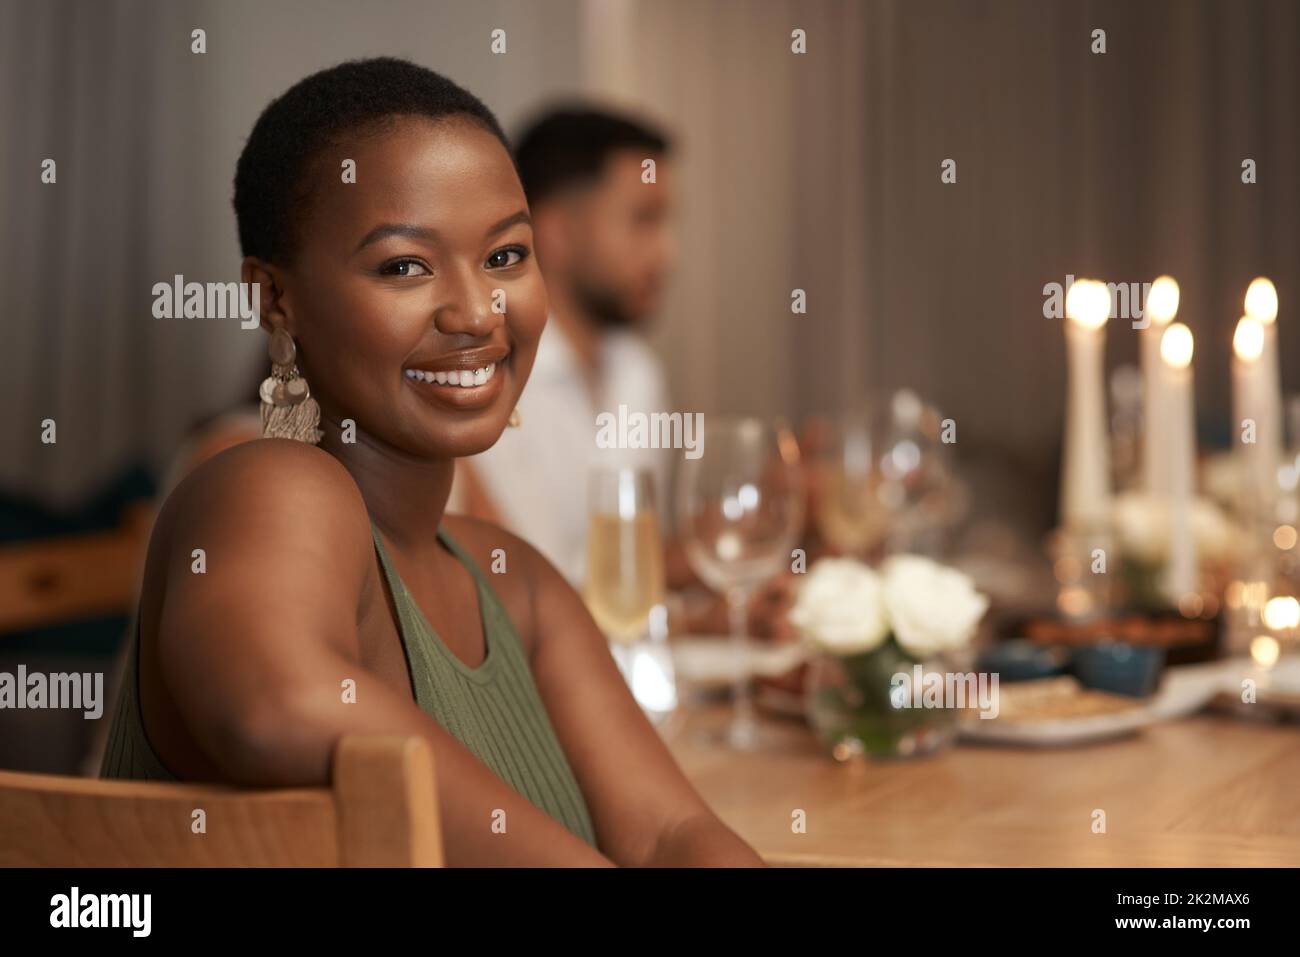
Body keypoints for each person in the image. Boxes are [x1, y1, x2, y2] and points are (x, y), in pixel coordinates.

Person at [99, 58, 762, 867]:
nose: (476, 311)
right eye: (403, 266)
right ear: (276, 299)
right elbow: (276, 705)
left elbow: (670, 833)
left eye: (506, 256)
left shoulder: (520, 584)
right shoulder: (269, 483)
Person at [449, 106, 679, 587]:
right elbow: (522, 583)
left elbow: (626, 571)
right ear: (555, 232)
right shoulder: (485, 373)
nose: (665, 253)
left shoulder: (639, 371)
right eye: (643, 220)